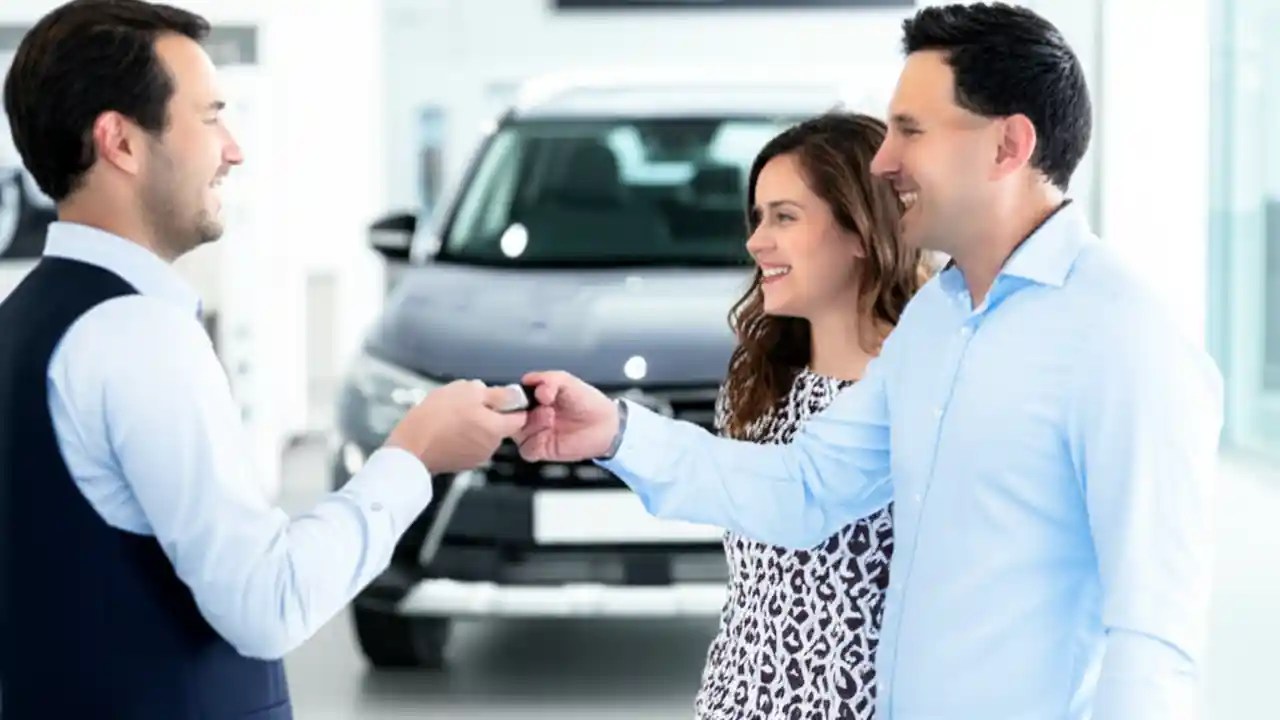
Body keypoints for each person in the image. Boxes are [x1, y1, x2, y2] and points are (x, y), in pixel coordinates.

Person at [516, 3, 1224, 719]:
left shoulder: (1123, 336)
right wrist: (615, 432)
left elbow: (1152, 636)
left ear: (1007, 146)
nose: (884, 161)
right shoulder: (938, 321)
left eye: (911, 130)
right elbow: (808, 487)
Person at [0, 2, 524, 718]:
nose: (234, 149)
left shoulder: (26, 321)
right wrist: (414, 455)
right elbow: (266, 601)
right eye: (211, 116)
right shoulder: (135, 335)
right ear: (119, 141)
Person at [692, 113, 928, 719]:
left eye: (784, 217)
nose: (756, 240)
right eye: (758, 217)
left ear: (859, 229)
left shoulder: (924, 386)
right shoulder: (756, 382)